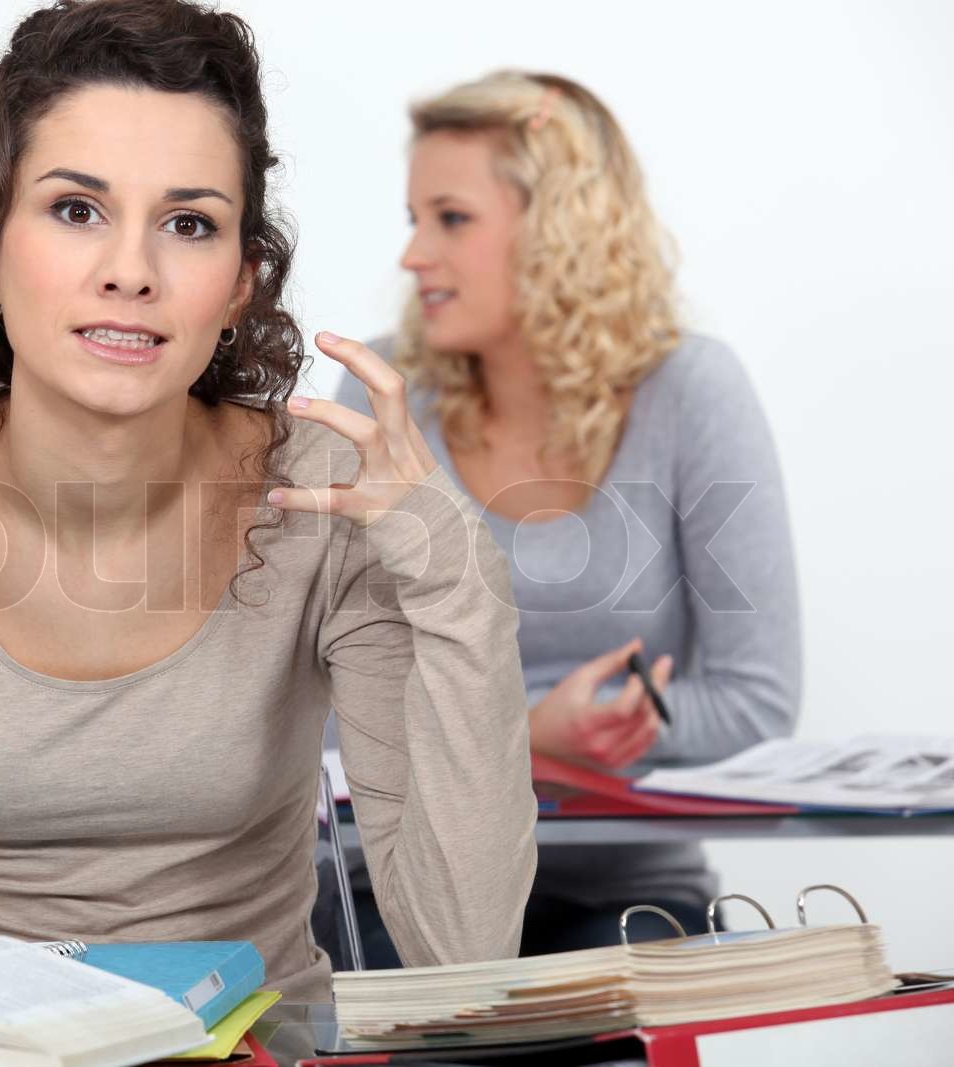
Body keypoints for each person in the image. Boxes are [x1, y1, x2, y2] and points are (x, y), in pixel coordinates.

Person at [0, 0, 537, 1000]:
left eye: (188, 224)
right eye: (76, 209)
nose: (130, 272)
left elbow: (462, 954)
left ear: (241, 280)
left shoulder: (326, 500)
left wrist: (452, 564)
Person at [337, 71, 801, 956]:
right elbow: (324, 709)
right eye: (413, 220)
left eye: (452, 218)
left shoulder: (691, 391)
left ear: (559, 231)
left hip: (628, 901)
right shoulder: (386, 396)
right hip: (398, 896)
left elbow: (757, 701)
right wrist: (524, 738)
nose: (413, 255)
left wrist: (597, 733)